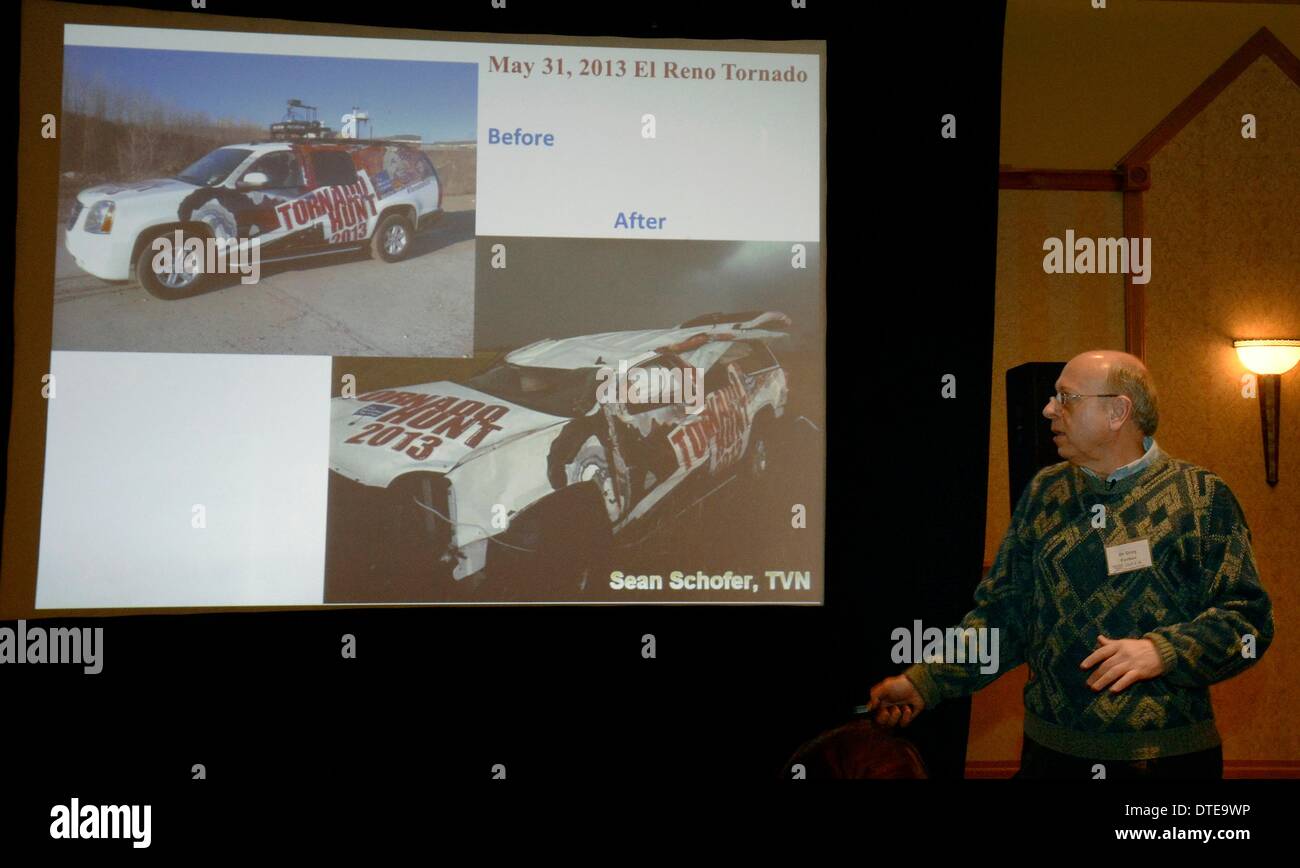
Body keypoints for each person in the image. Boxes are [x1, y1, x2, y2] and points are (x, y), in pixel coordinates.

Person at [867, 350, 1274, 779]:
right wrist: (924, 681)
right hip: (1049, 757)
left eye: (1066, 398)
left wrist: (1164, 650)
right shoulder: (1045, 492)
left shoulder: (1202, 497)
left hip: (1161, 759)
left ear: (1118, 411)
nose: (1048, 410)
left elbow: (1247, 622)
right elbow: (1004, 618)